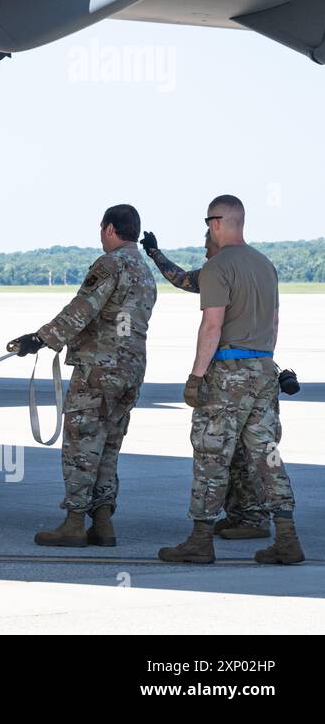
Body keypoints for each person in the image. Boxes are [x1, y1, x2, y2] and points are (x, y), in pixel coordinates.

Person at [158, 195, 303, 564]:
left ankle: (200, 540)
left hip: (228, 372)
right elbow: (273, 325)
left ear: (217, 222)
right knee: (266, 454)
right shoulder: (265, 265)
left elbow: (213, 323)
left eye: (208, 222)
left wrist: (196, 375)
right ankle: (287, 538)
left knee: (211, 454)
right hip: (264, 369)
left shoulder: (218, 266)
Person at [9, 204, 156, 548]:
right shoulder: (145, 272)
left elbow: (83, 309)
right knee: (108, 447)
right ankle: (103, 522)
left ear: (109, 229)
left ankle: (75, 522)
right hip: (131, 371)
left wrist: (41, 339)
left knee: (82, 446)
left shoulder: (110, 264)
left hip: (98, 371)